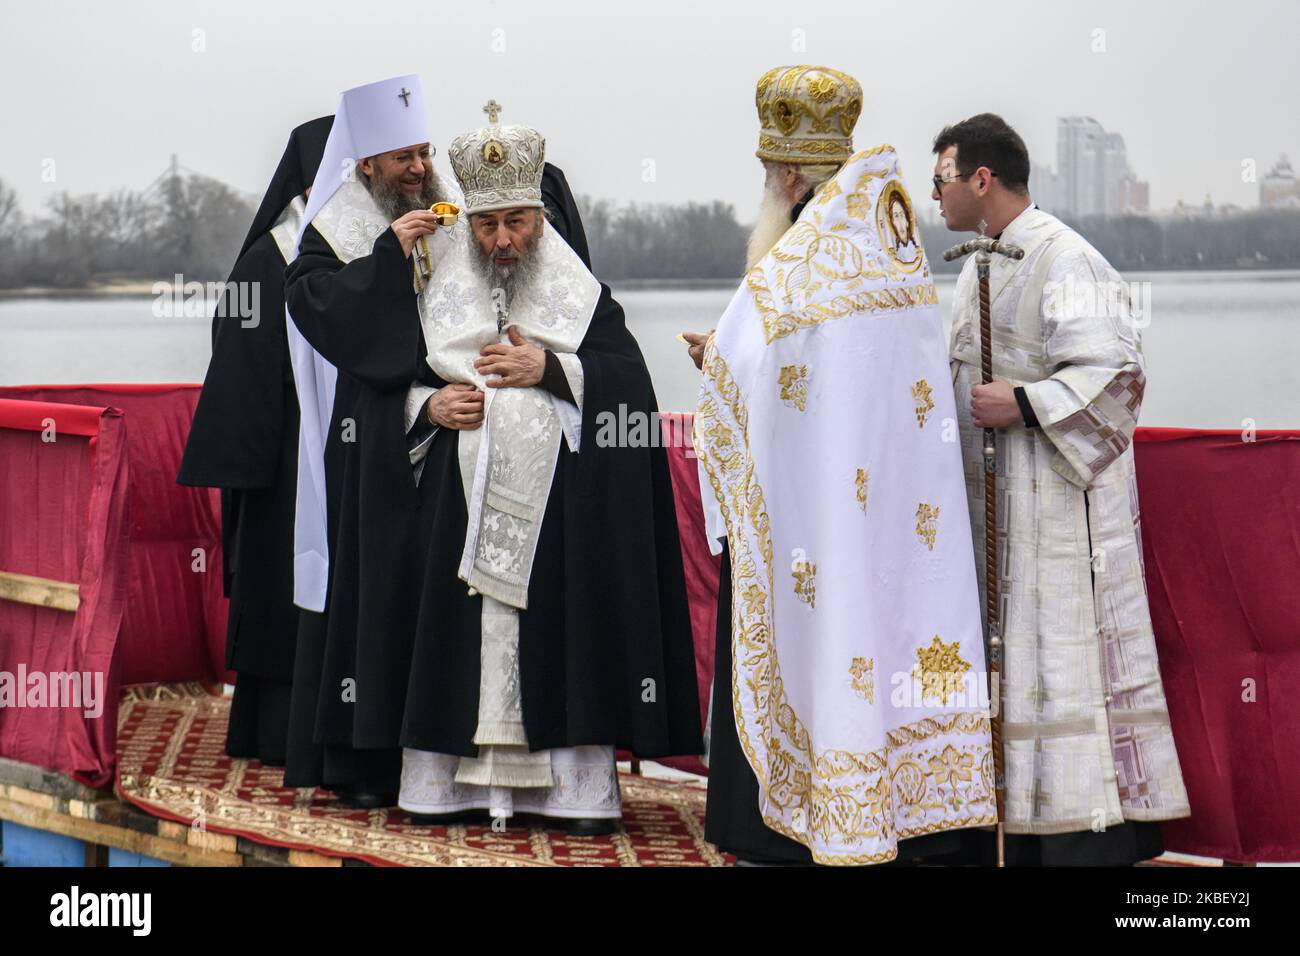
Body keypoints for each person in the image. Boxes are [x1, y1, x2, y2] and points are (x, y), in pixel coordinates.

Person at [688, 65, 996, 865]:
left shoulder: (799, 261)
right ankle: (917, 819)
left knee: (830, 639)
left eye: (769, 172)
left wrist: (716, 359)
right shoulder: (891, 246)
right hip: (902, 505)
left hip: (817, 512)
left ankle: (806, 829)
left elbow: (753, 365)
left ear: (789, 176)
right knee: (896, 631)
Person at [395, 106, 703, 834]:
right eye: (486, 224)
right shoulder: (432, 291)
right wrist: (428, 406)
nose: (502, 240)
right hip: (455, 511)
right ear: (469, 225)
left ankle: (571, 792)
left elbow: (630, 387)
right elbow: (383, 385)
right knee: (457, 642)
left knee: (562, 638)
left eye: (516, 222)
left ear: (541, 219)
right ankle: (447, 787)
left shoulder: (581, 298)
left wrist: (555, 368)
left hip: (558, 525)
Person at [930, 112, 1190, 865]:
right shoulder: (976, 265)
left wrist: (1024, 402)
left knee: (1057, 662)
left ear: (982, 179)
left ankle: (1077, 835)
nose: (934, 197)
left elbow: (1117, 376)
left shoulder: (1067, 258)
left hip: (1054, 514)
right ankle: (1001, 827)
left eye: (942, 180)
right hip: (990, 509)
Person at [281, 75, 449, 805]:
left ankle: (438, 759)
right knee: (375, 591)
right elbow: (311, 302)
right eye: (402, 157)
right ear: (367, 163)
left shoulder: (446, 211)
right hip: (372, 437)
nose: (417, 168)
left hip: (446, 426)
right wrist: (387, 257)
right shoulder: (338, 226)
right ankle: (366, 762)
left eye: (423, 153)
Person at [177, 115, 331, 766]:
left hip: (340, 450)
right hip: (282, 463)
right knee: (279, 592)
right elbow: (240, 364)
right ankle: (271, 736)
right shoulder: (268, 259)